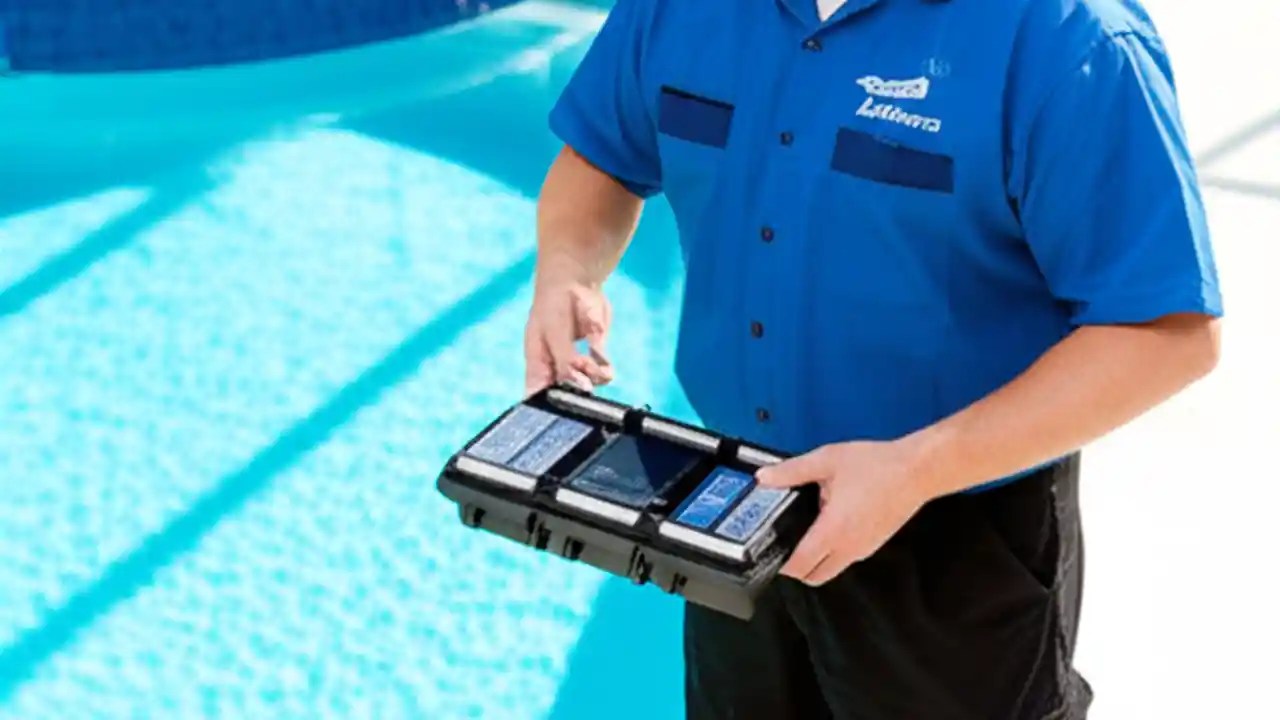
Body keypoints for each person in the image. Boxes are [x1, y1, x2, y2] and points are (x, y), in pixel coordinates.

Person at [524, 0, 1223, 717]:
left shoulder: (1066, 36)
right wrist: (569, 269)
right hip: (732, 504)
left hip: (953, 539)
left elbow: (1165, 332)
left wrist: (917, 467)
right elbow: (603, 155)